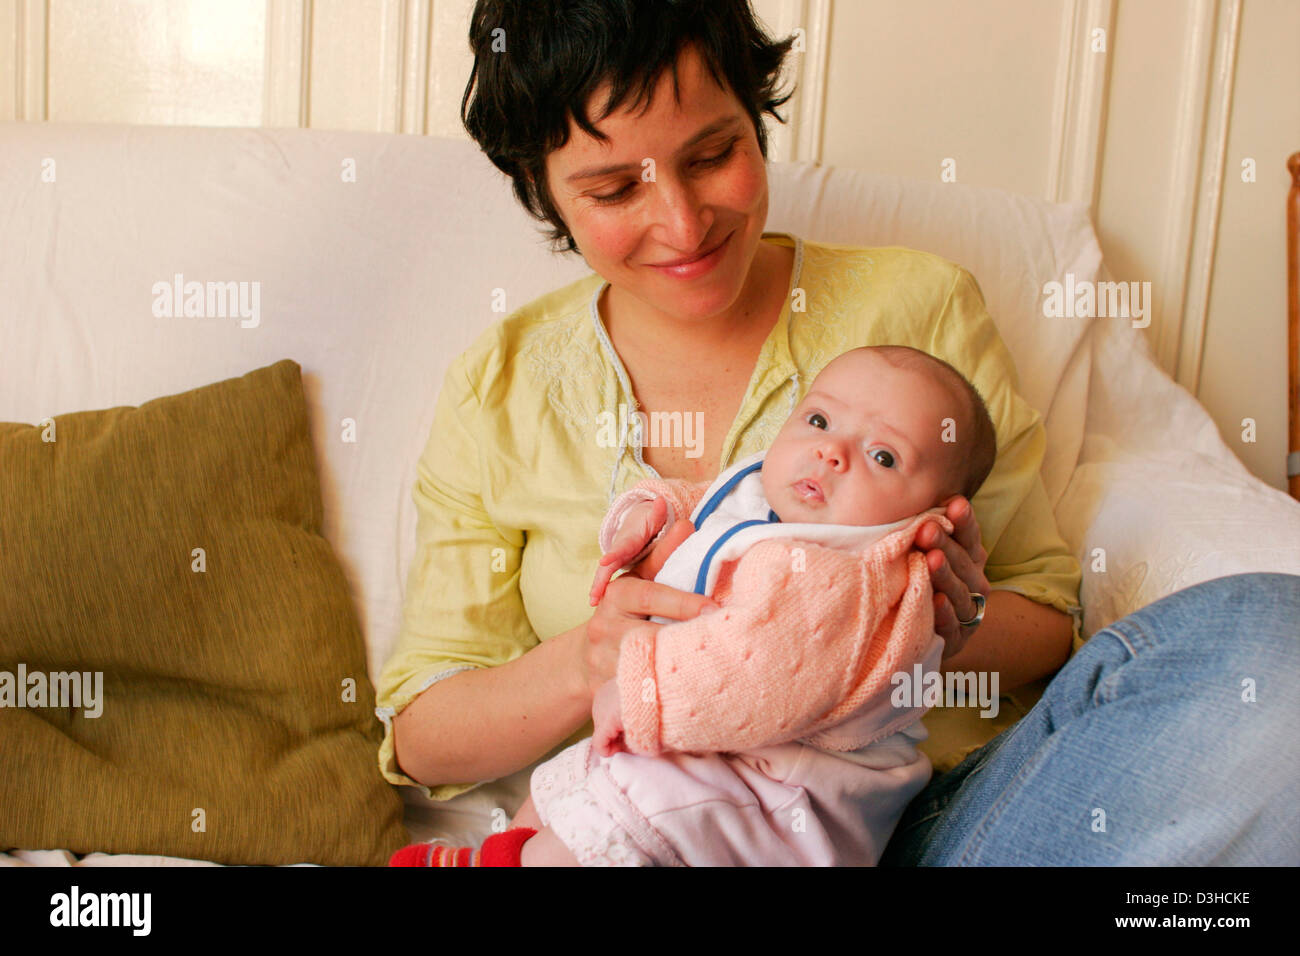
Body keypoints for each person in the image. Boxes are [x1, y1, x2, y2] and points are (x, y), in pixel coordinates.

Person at [377, 0, 1300, 866]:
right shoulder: (498, 386)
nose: (684, 222)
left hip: (941, 828)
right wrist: (591, 660)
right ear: (544, 196)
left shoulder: (916, 304)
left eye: (711, 155)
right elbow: (422, 736)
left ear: (756, 115)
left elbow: (1050, 625)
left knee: (1270, 640)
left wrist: (935, 625)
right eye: (616, 187)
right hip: (668, 836)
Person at [388, 345, 998, 865]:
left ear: (934, 518)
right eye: (817, 420)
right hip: (713, 752)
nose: (832, 452)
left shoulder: (849, 579)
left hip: (779, 797)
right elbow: (708, 505)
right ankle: (506, 853)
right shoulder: (783, 496)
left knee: (622, 812)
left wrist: (640, 691)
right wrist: (651, 513)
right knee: (571, 781)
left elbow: (762, 671)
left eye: (884, 456)